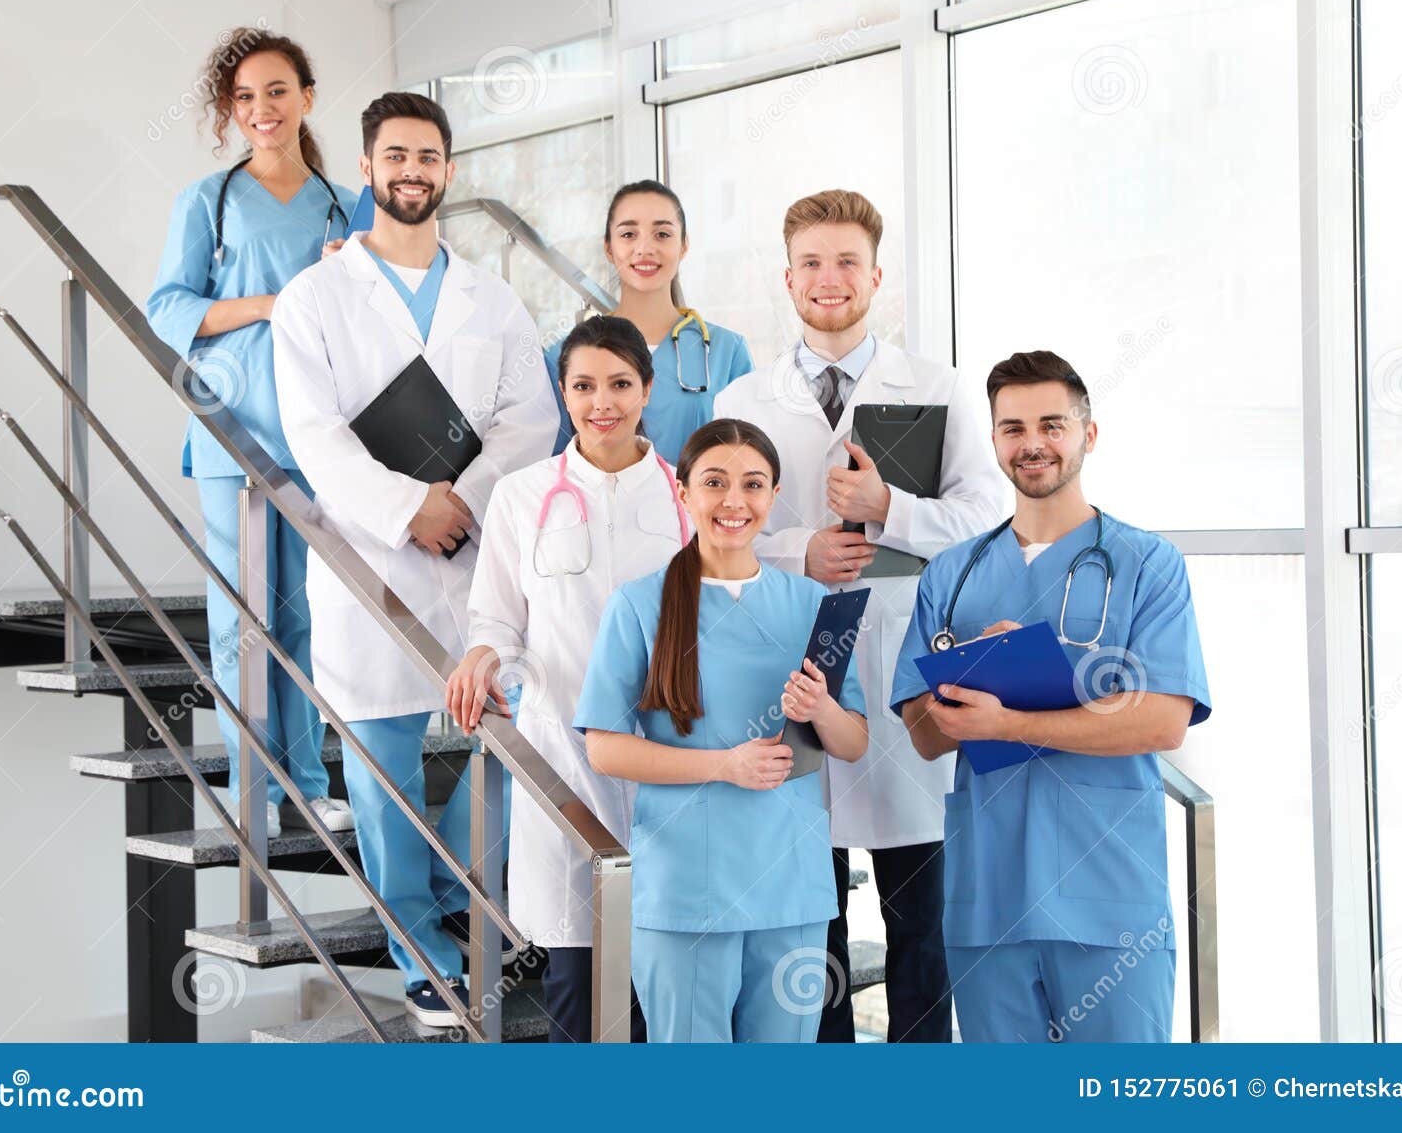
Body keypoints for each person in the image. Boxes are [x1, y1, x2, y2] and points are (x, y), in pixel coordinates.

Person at [271, 91, 558, 1027]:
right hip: (373, 563)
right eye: (394, 155)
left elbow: (531, 417)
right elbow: (313, 436)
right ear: (365, 167)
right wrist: (409, 509)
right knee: (385, 764)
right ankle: (424, 959)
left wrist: (462, 502)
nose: (411, 171)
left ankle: (473, 917)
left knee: (496, 753)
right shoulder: (313, 299)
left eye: (428, 156)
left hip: (474, 555)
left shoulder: (491, 296)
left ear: (448, 170)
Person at [711, 190, 1005, 1041]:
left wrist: (892, 507)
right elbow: (712, 526)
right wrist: (798, 547)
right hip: (793, 676)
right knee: (813, 931)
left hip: (906, 669)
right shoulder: (744, 395)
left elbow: (986, 515)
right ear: (787, 277)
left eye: (846, 262)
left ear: (877, 275)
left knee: (922, 929)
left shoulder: (937, 387)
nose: (828, 279)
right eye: (811, 262)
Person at [891, 350, 1212, 1043]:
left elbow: (1163, 718)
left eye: (1050, 424)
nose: (1031, 443)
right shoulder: (953, 573)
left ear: (1087, 435)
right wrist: (972, 687)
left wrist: (1008, 719)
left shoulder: (1147, 564)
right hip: (989, 901)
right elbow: (921, 729)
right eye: (1011, 428)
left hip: (1109, 901)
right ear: (996, 442)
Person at [574, 419, 869, 1043]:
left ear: (773, 495)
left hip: (791, 887)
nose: (734, 501)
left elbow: (854, 742)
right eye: (714, 483)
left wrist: (821, 709)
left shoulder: (814, 604)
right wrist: (723, 766)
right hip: (687, 888)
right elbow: (603, 746)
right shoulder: (639, 605)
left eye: (752, 484)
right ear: (683, 493)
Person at [445, 314, 688, 1042]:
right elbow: (494, 615)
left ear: (648, 389)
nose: (601, 401)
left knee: (664, 984)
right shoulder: (522, 495)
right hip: (563, 759)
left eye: (619, 383)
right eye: (583, 385)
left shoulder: (686, 495)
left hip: (666, 757)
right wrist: (483, 654)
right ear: (562, 391)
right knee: (575, 988)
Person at [147, 28, 356, 840]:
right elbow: (168, 310)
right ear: (230, 112)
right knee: (242, 620)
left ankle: (307, 781)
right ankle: (254, 792)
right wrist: (277, 303)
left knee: (306, 617)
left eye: (277, 91)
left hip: (317, 442)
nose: (262, 109)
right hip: (234, 436)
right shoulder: (208, 201)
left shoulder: (345, 205)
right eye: (245, 98)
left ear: (307, 96)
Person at [544, 182, 753, 464]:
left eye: (662, 234)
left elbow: (746, 460)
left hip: (692, 509)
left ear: (684, 246)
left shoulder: (727, 351)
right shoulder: (562, 355)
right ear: (608, 247)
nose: (644, 248)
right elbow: (554, 463)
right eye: (628, 234)